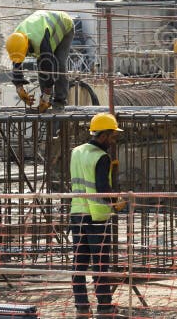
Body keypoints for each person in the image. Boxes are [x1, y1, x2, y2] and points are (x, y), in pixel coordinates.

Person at [69, 113, 126, 319]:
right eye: (112, 136)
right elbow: (102, 188)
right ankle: (104, 308)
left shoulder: (76, 152)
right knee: (100, 263)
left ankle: (81, 307)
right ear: (103, 135)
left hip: (77, 214)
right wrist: (116, 202)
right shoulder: (101, 157)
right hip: (97, 217)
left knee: (79, 263)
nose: (113, 141)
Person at [6, 10, 75, 113]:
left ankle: (59, 102)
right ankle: (46, 101)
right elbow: (17, 63)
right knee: (42, 63)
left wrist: (46, 95)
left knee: (59, 63)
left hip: (64, 25)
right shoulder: (17, 40)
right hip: (44, 26)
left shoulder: (40, 42)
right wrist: (19, 87)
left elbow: (48, 67)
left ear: (27, 46)